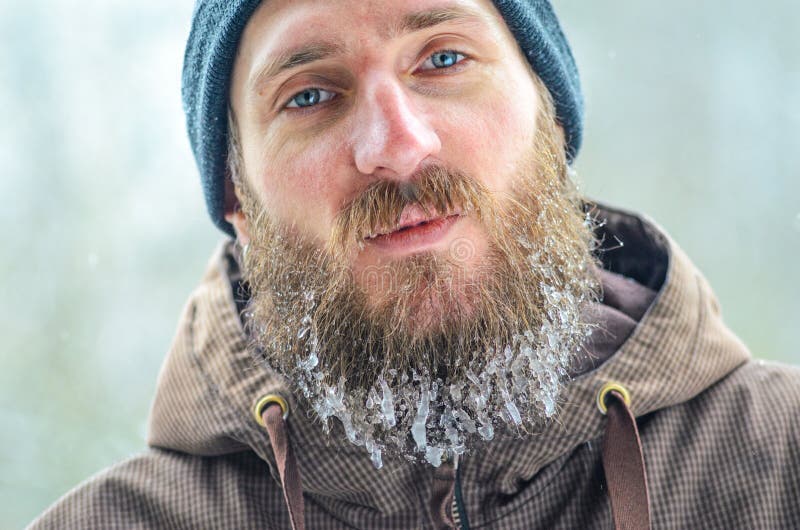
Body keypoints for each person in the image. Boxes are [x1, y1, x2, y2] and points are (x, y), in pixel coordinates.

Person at [30, 0, 799, 528]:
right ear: (238, 197)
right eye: (310, 95)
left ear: (550, 114)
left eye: (443, 57)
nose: (398, 145)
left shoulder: (782, 467)